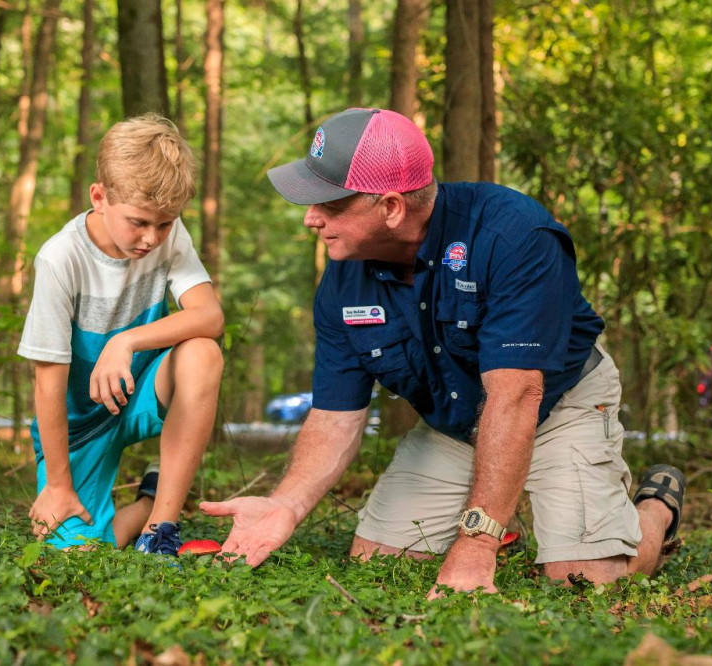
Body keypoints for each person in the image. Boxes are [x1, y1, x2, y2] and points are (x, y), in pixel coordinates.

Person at [200, 108, 684, 596]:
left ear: (391, 207)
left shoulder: (514, 236)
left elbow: (517, 396)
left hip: (558, 404)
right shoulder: (343, 280)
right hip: (459, 422)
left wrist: (476, 544)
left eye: (329, 204)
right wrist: (285, 504)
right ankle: (502, 507)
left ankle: (653, 512)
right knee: (376, 562)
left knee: (583, 581)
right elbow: (334, 417)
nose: (310, 218)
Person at [19, 113, 224, 556]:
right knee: (77, 551)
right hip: (79, 425)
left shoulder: (167, 234)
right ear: (99, 197)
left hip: (141, 393)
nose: (152, 238)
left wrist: (125, 341)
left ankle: (159, 531)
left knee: (203, 353)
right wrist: (57, 486)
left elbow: (210, 317)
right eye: (138, 222)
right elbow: (47, 381)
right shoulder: (60, 260)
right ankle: (150, 500)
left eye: (165, 224)